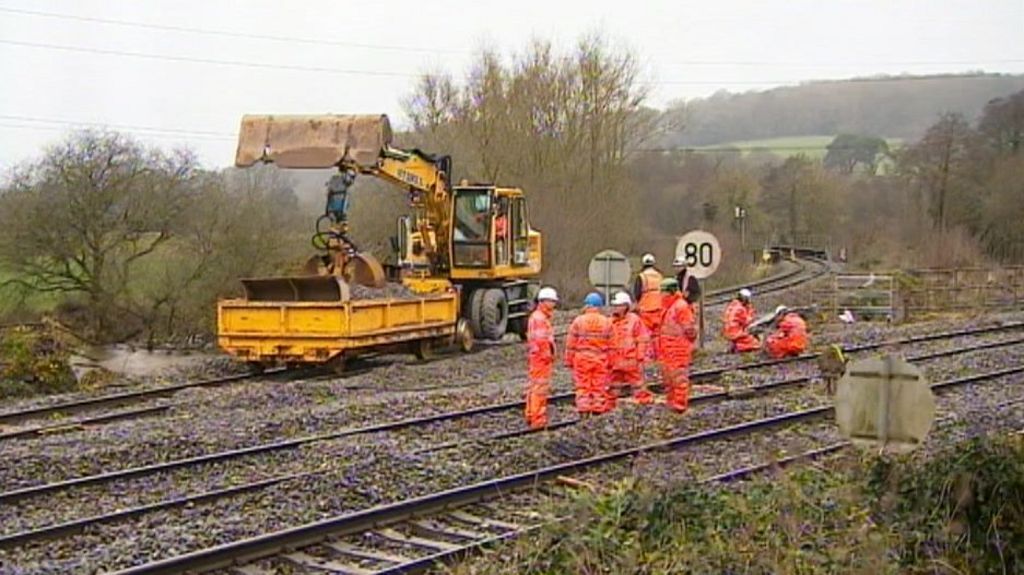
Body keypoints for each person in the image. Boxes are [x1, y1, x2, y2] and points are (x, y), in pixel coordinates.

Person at [565, 292, 615, 415]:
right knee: (599, 387)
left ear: (587, 305)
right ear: (599, 306)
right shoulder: (607, 322)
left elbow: (571, 343)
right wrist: (611, 362)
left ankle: (584, 410)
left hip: (582, 359)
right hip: (600, 359)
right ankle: (598, 410)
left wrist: (569, 360)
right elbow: (612, 345)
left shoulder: (578, 321)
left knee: (583, 386)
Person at [658, 278, 697, 412]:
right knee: (669, 379)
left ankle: (679, 406)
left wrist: (684, 344)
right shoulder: (669, 306)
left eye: (663, 292)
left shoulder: (680, 306)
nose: (661, 295)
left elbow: (690, 330)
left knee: (679, 378)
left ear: (670, 292)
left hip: (678, 349)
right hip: (668, 349)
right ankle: (672, 403)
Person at [607, 292, 653, 405]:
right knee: (612, 389)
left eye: (618, 305)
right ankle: (608, 410)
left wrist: (640, 358)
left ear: (625, 306)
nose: (615, 308)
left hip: (630, 362)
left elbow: (642, 339)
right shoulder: (609, 322)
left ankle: (644, 406)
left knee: (638, 387)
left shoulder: (634, 320)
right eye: (615, 305)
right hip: (615, 363)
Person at [525, 286, 558, 429]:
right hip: (541, 360)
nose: (554, 304)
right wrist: (548, 356)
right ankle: (537, 419)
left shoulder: (539, 317)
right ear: (544, 301)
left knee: (535, 388)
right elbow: (541, 341)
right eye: (552, 301)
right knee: (540, 389)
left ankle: (531, 414)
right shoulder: (540, 319)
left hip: (538, 359)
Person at [632, 253, 664, 348]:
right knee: (657, 335)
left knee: (646, 334)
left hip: (646, 309)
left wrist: (636, 304)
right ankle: (658, 355)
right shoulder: (659, 276)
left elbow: (637, 292)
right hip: (659, 308)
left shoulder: (641, 276)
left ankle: (648, 355)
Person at [723, 288, 761, 353]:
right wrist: (750, 310)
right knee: (756, 344)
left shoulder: (732, 305)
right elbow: (747, 322)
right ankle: (737, 346)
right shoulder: (740, 309)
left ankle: (735, 344)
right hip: (736, 333)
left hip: (728, 331)